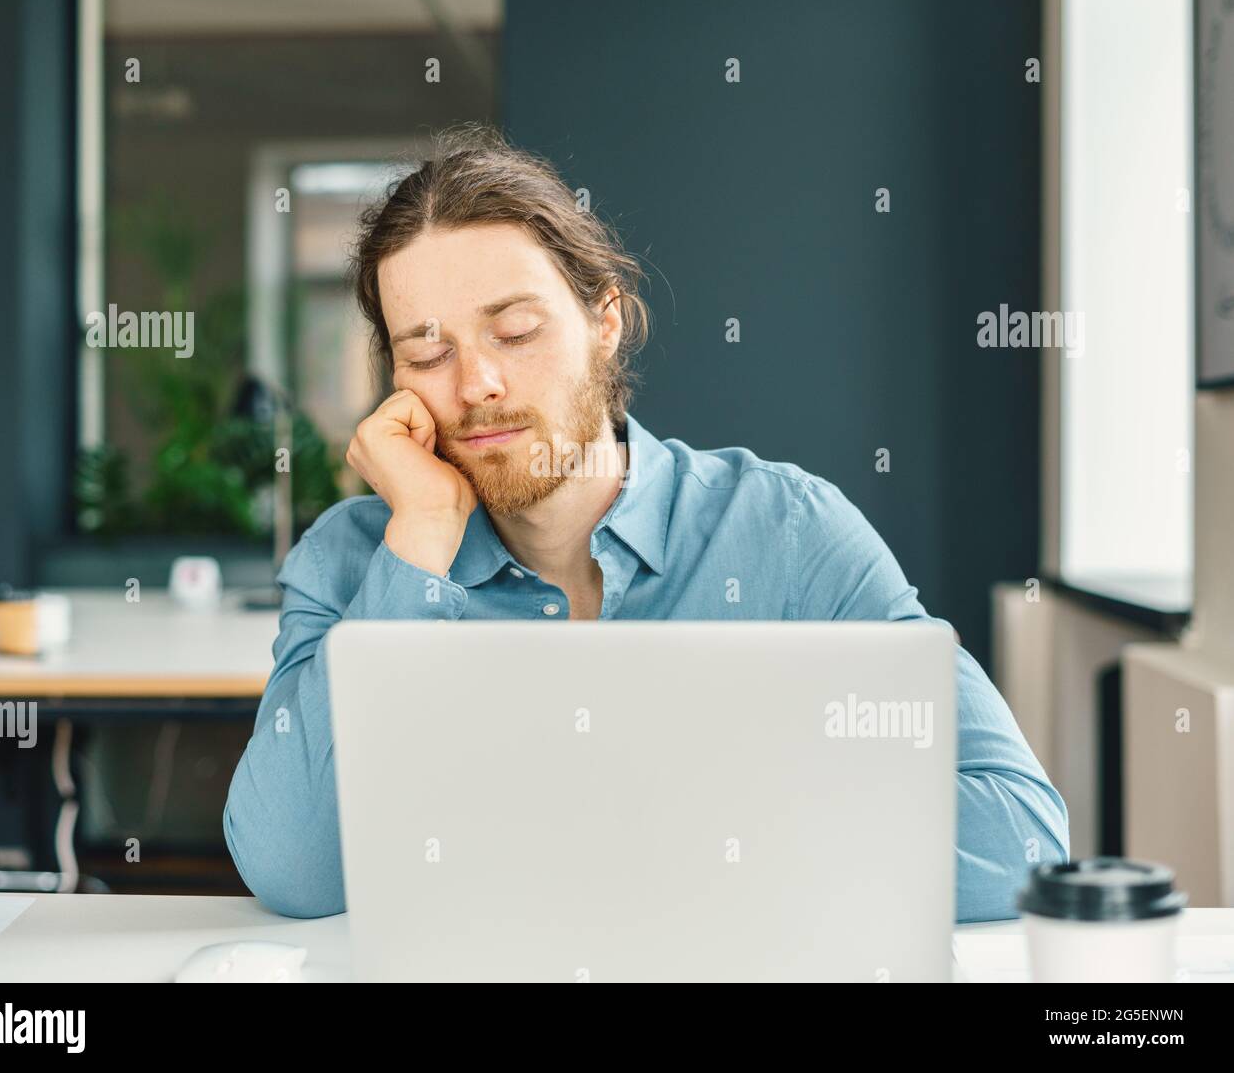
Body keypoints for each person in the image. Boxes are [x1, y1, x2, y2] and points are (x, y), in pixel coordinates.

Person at [224, 125, 1070, 921]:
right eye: (427, 352)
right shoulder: (355, 557)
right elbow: (295, 865)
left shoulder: (787, 531)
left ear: (605, 325)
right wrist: (423, 536)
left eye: (514, 331)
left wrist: (680, 824)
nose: (476, 383)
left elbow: (1020, 834)